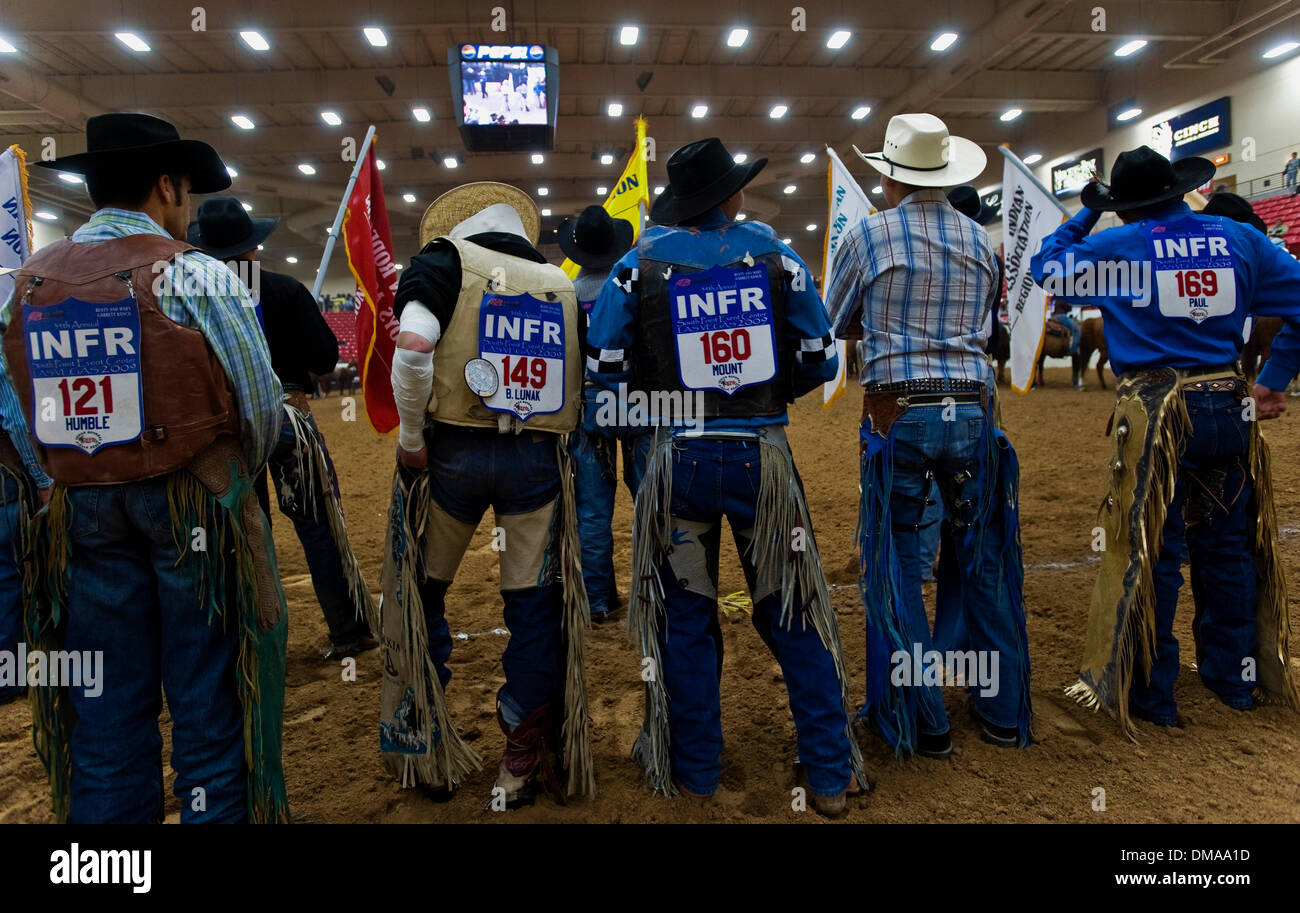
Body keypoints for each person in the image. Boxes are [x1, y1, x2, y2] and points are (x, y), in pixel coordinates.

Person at [0, 112, 288, 822]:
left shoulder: (31, 283)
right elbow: (259, 407)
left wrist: (63, 475)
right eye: (184, 189)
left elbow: (20, 404)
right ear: (166, 185)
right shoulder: (195, 274)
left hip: (81, 508)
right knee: (206, 698)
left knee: (104, 705)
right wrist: (230, 476)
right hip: (190, 503)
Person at [587, 137, 864, 817]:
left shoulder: (635, 265)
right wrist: (767, 396)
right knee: (793, 609)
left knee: (686, 618)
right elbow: (820, 356)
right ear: (730, 197)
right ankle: (830, 774)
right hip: (760, 460)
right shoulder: (775, 256)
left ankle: (696, 771)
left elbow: (605, 369)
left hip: (673, 463)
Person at [1030, 145, 1300, 735]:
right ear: (1182, 189)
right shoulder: (1240, 239)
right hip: (1231, 407)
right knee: (1229, 549)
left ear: (1123, 208)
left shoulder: (1117, 245)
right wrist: (1274, 382)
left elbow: (1046, 270)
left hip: (1159, 413)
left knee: (1154, 551)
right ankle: (1235, 681)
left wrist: (1084, 215)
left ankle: (1155, 694)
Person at [827, 113, 1032, 760]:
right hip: (972, 407)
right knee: (983, 558)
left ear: (889, 175)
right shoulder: (979, 240)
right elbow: (985, 321)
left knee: (893, 566)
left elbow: (838, 322)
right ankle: (1000, 712)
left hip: (899, 411)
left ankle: (923, 720)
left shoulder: (868, 235)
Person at [380, 182, 592, 809]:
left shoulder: (443, 262)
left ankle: (425, 741)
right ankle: (522, 755)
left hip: (453, 452)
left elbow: (414, 347)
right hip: (537, 459)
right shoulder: (559, 283)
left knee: (422, 594)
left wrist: (413, 437)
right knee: (534, 607)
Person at [189, 197, 378, 659]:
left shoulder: (194, 297)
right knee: (317, 522)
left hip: (227, 428)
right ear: (253, 247)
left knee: (247, 528)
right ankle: (349, 630)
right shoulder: (283, 290)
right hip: (289, 416)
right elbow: (324, 359)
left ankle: (256, 637)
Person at [557, 205, 642, 622]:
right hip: (641, 402)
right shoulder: (632, 287)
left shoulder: (568, 295)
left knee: (592, 512)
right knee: (650, 500)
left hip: (589, 406)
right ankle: (655, 592)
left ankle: (598, 600)